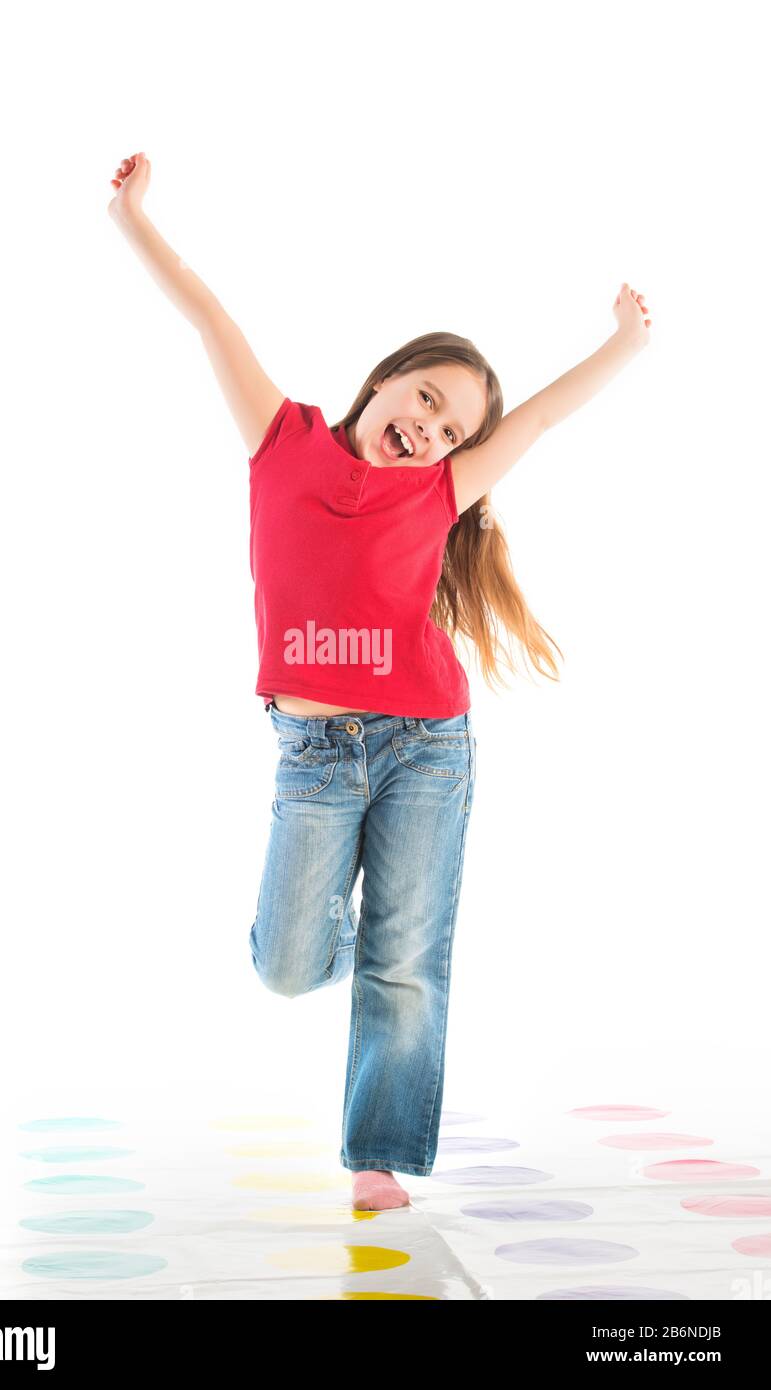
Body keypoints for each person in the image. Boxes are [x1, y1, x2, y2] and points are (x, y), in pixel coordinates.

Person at [108, 151, 652, 1211]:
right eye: (428, 400)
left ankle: (378, 1158)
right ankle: (367, 950)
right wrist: (134, 216)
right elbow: (208, 313)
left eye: (453, 431)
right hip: (313, 752)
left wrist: (624, 345)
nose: (432, 432)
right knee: (288, 963)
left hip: (424, 746)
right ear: (389, 376)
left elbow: (535, 419)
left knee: (407, 961)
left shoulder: (440, 493)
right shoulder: (285, 438)